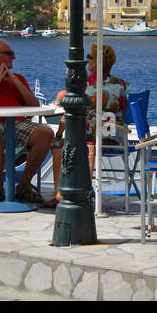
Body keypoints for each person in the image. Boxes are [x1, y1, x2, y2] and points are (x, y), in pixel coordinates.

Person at [0, 39, 56, 208]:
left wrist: (17, 82)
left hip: (17, 122)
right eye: (10, 54)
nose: (14, 57)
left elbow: (34, 105)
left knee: (46, 133)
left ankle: (23, 186)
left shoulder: (18, 78)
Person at [53, 44, 128, 205]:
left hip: (96, 139)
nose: (87, 60)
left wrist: (58, 134)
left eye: (90, 57)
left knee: (59, 144)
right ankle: (80, 190)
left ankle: (61, 194)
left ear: (97, 62)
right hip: (116, 137)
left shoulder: (87, 87)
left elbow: (67, 116)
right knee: (88, 140)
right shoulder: (121, 83)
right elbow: (123, 111)